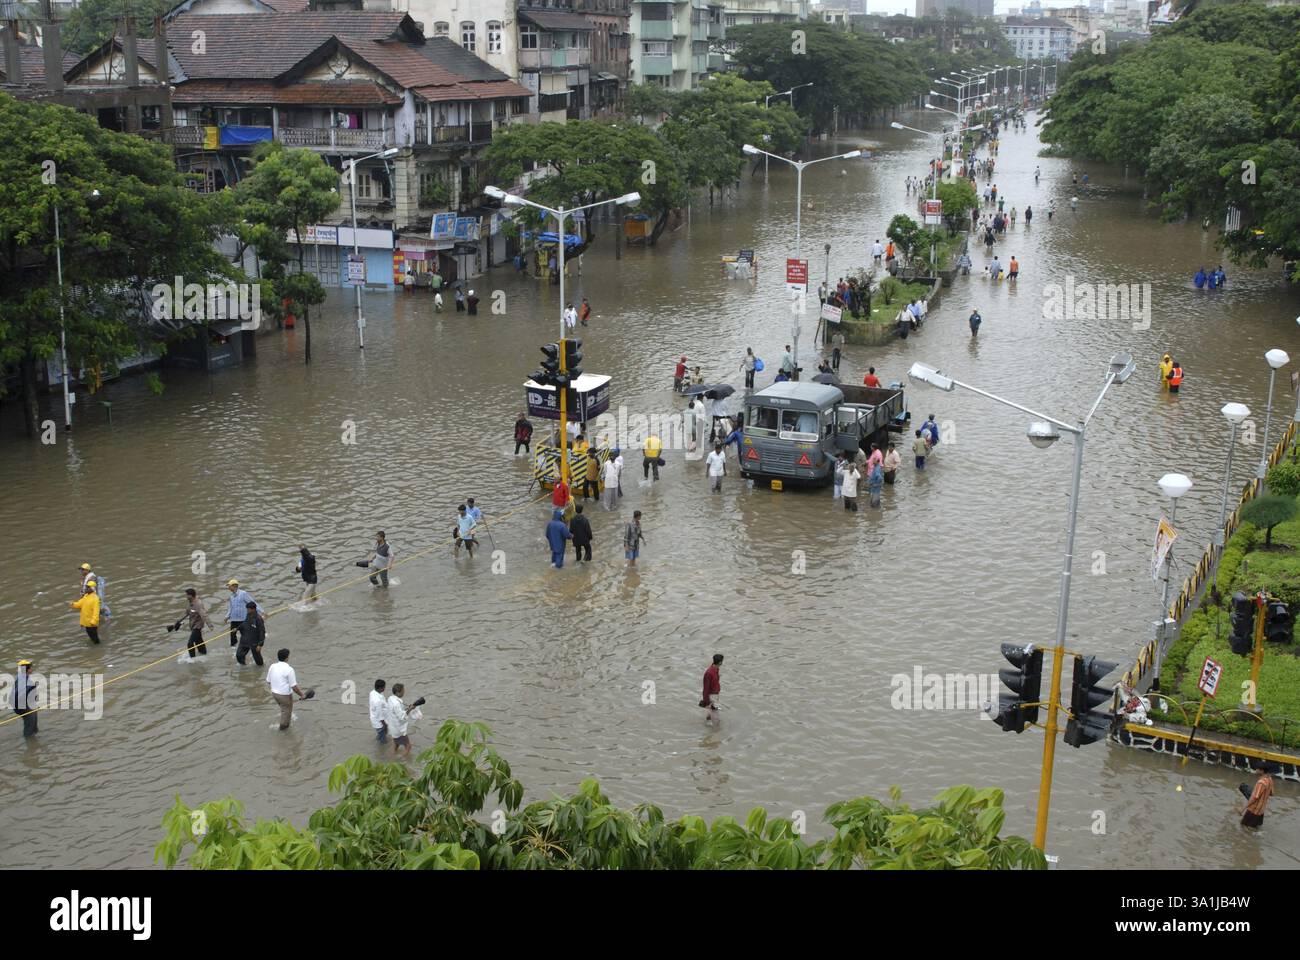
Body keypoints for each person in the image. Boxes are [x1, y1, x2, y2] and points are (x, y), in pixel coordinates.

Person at [174, 587, 210, 659]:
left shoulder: (198, 604)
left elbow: (204, 615)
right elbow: (186, 613)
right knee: (199, 642)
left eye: (187, 595)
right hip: (193, 626)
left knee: (190, 643)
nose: (186, 596)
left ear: (191, 595)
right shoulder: (190, 604)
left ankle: (192, 659)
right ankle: (204, 654)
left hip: (197, 626)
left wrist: (210, 625)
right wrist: (178, 621)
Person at [1240, 762, 1276, 828]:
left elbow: (1254, 798)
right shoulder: (1269, 779)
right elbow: (1272, 793)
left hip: (1253, 811)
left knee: (1244, 827)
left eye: (1257, 769)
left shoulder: (1261, 783)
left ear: (1262, 771)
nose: (1255, 770)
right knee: (1255, 828)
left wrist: (1243, 808)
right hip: (1261, 811)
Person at [224, 579, 255, 646]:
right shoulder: (231, 596)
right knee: (232, 635)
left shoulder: (243, 594)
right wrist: (227, 616)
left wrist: (262, 612)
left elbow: (252, 603)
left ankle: (247, 646)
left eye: (229, 586)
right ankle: (233, 648)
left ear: (234, 586)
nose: (228, 587)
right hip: (234, 619)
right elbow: (231, 608)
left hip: (243, 620)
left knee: (245, 635)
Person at [385, 683, 413, 756]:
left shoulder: (390, 698)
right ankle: (402, 761)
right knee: (408, 746)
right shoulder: (397, 704)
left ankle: (392, 758)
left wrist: (406, 708)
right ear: (398, 692)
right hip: (399, 729)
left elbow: (396, 712)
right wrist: (410, 709)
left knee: (396, 744)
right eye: (403, 691)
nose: (404, 692)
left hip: (393, 727)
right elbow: (401, 717)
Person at [13, 658, 38, 738]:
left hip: (22, 705)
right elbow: (19, 694)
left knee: (34, 715)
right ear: (28, 670)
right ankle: (30, 742)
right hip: (22, 706)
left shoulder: (21, 677)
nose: (32, 669)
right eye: (31, 667)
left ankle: (34, 734)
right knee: (30, 724)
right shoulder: (23, 680)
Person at [236, 601, 265, 666]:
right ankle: (243, 668)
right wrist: (237, 628)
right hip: (244, 640)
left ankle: (261, 670)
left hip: (254, 642)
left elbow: (262, 632)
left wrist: (260, 644)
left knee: (258, 661)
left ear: (253, 609)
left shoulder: (258, 619)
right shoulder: (248, 615)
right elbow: (244, 624)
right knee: (239, 655)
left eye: (248, 609)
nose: (247, 610)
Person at [700, 654, 723, 724]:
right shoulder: (709, 673)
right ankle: (716, 730)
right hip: (712, 696)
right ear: (720, 662)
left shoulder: (716, 669)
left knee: (711, 713)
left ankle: (707, 725)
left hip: (715, 694)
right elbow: (706, 688)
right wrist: (706, 701)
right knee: (716, 717)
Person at [369, 679, 389, 744]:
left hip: (377, 719)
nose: (385, 688)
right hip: (380, 723)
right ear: (380, 688)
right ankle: (382, 749)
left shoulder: (373, 692)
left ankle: (378, 740)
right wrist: (385, 725)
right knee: (383, 741)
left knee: (381, 734)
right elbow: (379, 715)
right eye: (384, 687)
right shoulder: (377, 701)